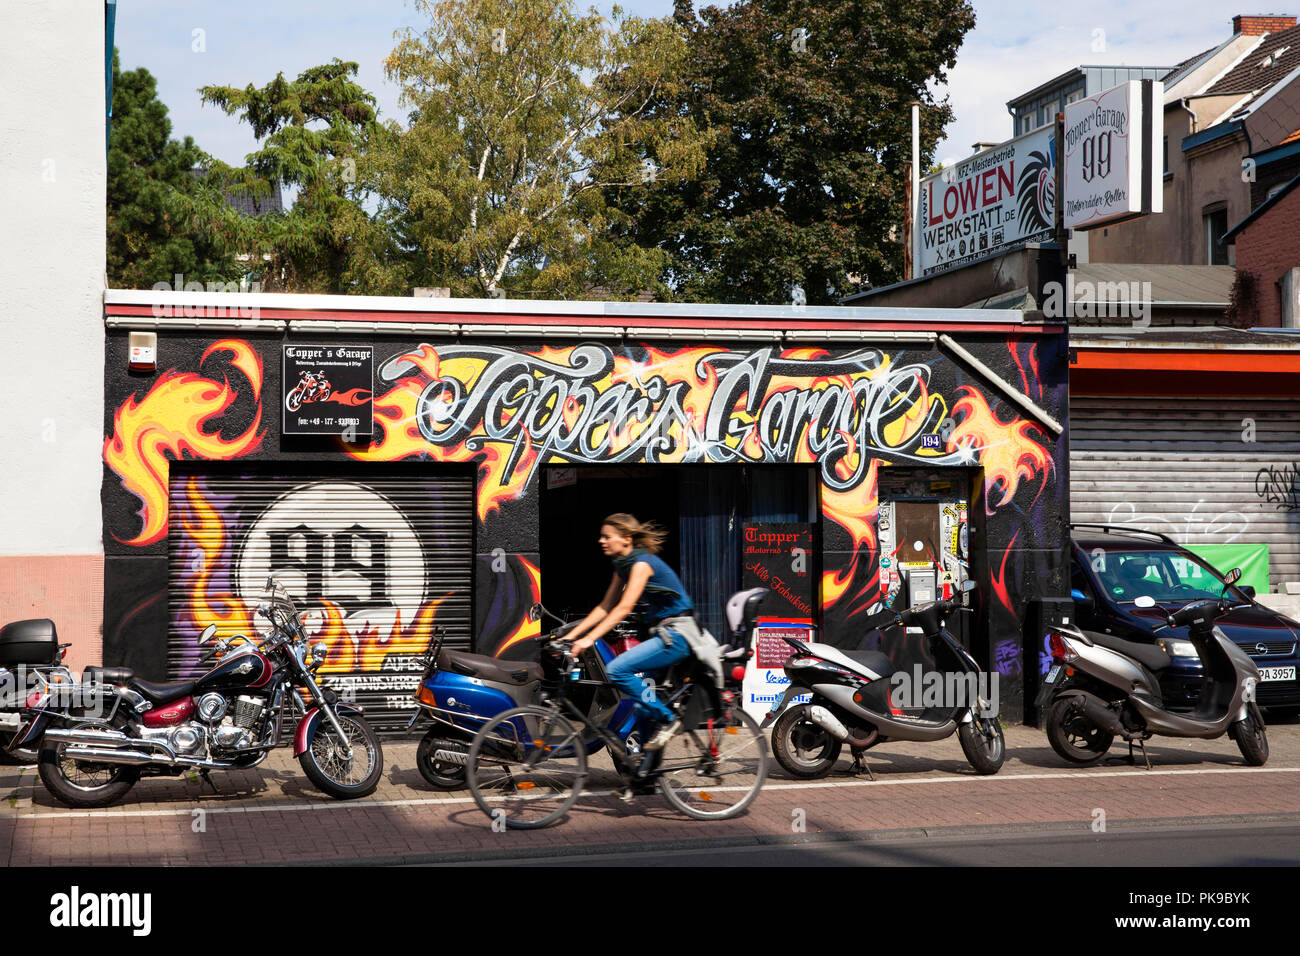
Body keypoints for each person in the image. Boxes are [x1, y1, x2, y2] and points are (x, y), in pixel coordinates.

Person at [563, 513, 698, 753]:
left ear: (626, 538)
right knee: (642, 706)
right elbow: (604, 607)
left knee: (616, 670)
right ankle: (643, 773)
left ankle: (669, 719)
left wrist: (589, 639)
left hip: (679, 635)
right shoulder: (622, 567)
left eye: (607, 537)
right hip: (663, 635)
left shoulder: (642, 564)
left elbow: (623, 608)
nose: (601, 541)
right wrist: (571, 636)